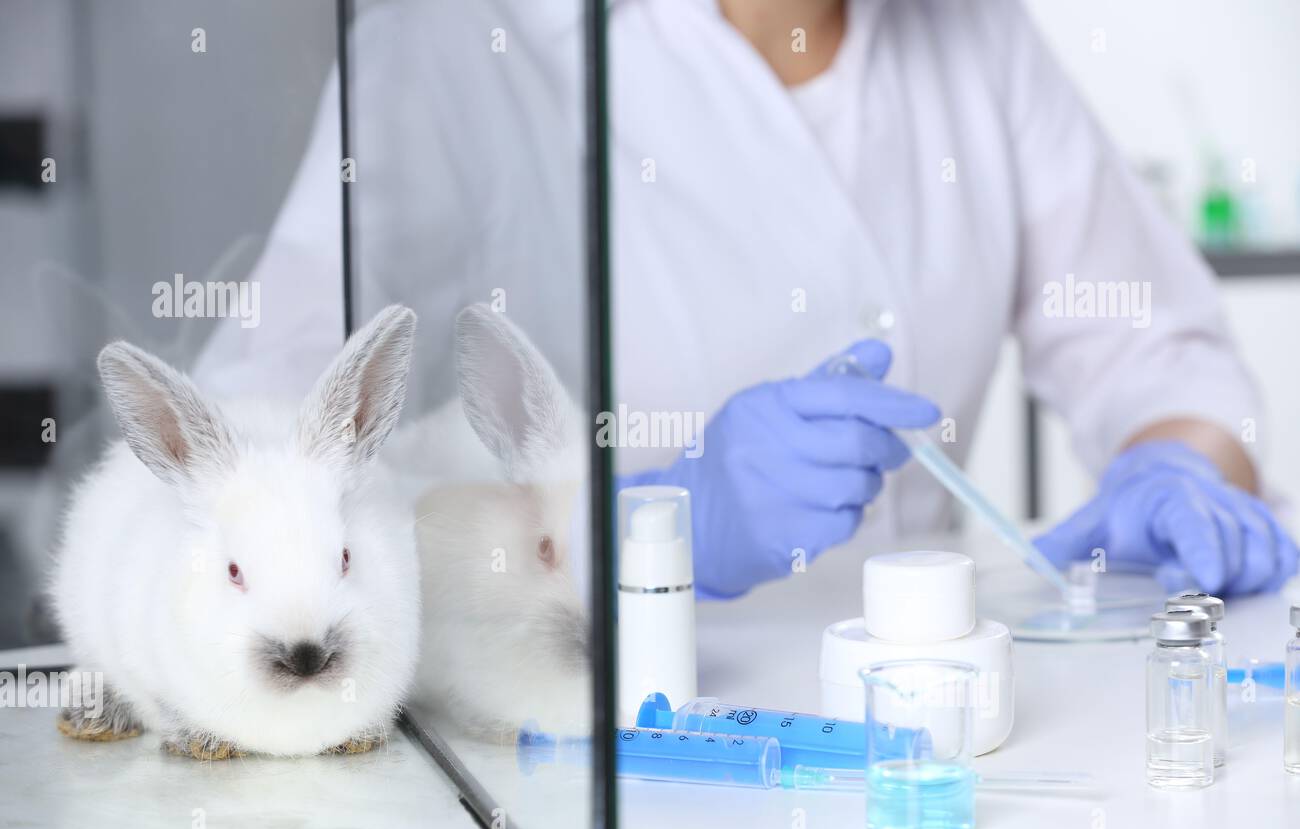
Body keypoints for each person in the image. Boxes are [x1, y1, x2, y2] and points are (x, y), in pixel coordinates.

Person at [196, 0, 1296, 600]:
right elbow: (247, 468)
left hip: (935, 761)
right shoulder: (464, 39)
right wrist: (649, 528)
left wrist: (1179, 466)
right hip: (584, 767)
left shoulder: (975, 34)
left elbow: (1159, 352)